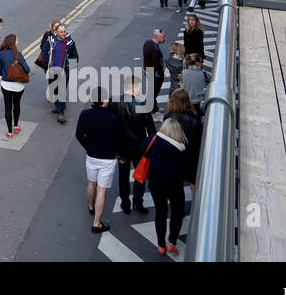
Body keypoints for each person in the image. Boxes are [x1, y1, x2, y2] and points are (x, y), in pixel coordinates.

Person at [139, 117, 189, 256]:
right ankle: (172, 241)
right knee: (177, 212)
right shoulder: (182, 148)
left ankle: (161, 245)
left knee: (160, 212)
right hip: (175, 185)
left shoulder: (154, 140)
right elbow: (185, 170)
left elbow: (142, 147)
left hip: (156, 183)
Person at [75, 88, 120, 233]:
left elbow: (79, 135)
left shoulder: (85, 114)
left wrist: (88, 146)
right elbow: (119, 140)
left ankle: (90, 205)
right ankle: (96, 223)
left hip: (91, 155)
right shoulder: (113, 118)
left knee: (91, 182)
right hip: (107, 158)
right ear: (105, 101)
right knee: (102, 190)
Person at [115, 80, 154, 215]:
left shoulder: (115, 103)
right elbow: (151, 130)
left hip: (122, 148)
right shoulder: (142, 105)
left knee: (123, 177)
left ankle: (125, 203)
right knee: (140, 175)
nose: (139, 90)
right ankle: (138, 201)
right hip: (139, 147)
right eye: (138, 87)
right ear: (132, 88)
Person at [163, 89, 202, 190]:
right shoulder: (193, 117)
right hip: (190, 154)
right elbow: (199, 137)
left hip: (174, 153)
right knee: (193, 180)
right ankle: (195, 203)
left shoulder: (168, 116)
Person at [40, 22, 78, 124]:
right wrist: (48, 62)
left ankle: (61, 113)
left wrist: (72, 67)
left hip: (63, 71)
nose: (63, 33)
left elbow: (74, 55)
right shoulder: (51, 41)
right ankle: (58, 106)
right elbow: (44, 51)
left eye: (64, 31)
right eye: (61, 32)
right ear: (56, 32)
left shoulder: (70, 43)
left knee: (62, 91)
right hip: (52, 70)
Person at [0, 32, 30, 137]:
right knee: (17, 105)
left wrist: (6, 72)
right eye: (17, 40)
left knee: (8, 108)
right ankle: (16, 126)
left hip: (6, 85)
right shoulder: (18, 55)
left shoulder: (1, 54)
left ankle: (9, 132)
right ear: (13, 42)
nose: (18, 42)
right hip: (19, 85)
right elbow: (27, 69)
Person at [143, 29, 166, 108]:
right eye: (163, 37)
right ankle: (148, 111)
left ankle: (154, 107)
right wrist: (161, 74)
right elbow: (157, 65)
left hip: (147, 71)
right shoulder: (155, 50)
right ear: (157, 37)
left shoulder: (147, 43)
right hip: (154, 74)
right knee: (153, 92)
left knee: (151, 90)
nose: (165, 38)